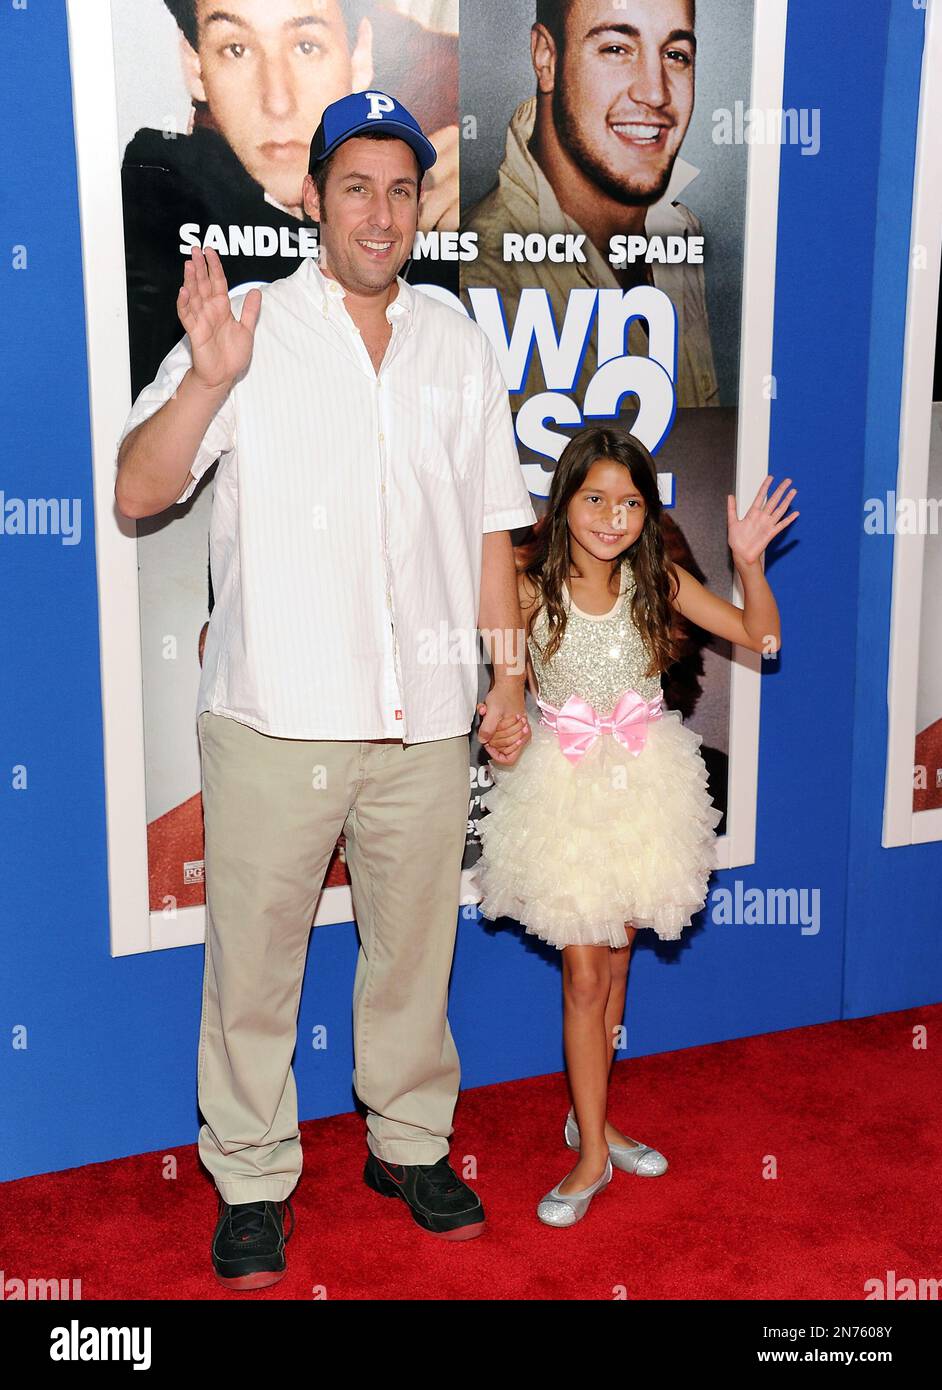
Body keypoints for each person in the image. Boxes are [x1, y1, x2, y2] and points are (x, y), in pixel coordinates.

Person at [114, 90, 536, 1288]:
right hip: (273, 716)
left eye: (402, 189)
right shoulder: (245, 326)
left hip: (426, 724)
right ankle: (250, 1173)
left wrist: (505, 678)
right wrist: (205, 382)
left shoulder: (457, 335)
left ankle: (407, 1142)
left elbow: (493, 530)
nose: (381, 211)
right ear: (312, 198)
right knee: (254, 968)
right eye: (356, 186)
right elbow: (137, 490)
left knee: (415, 955)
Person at [475, 424, 797, 1226]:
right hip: (565, 792)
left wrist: (750, 564)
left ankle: (596, 1119)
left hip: (645, 787)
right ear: (565, 500)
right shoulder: (526, 585)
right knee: (585, 974)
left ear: (647, 513)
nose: (612, 517)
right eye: (595, 499)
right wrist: (502, 724)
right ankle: (590, 1159)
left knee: (617, 964)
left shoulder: (661, 579)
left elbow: (764, 637)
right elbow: (507, 690)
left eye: (629, 503)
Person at [124, 0, 460, 395]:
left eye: (306, 47)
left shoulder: (443, 110)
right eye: (237, 49)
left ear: (360, 56)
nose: (277, 101)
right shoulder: (159, 182)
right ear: (194, 65)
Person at [461, 0, 720, 412]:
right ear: (546, 58)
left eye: (675, 55)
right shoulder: (480, 277)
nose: (655, 92)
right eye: (617, 49)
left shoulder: (679, 229)